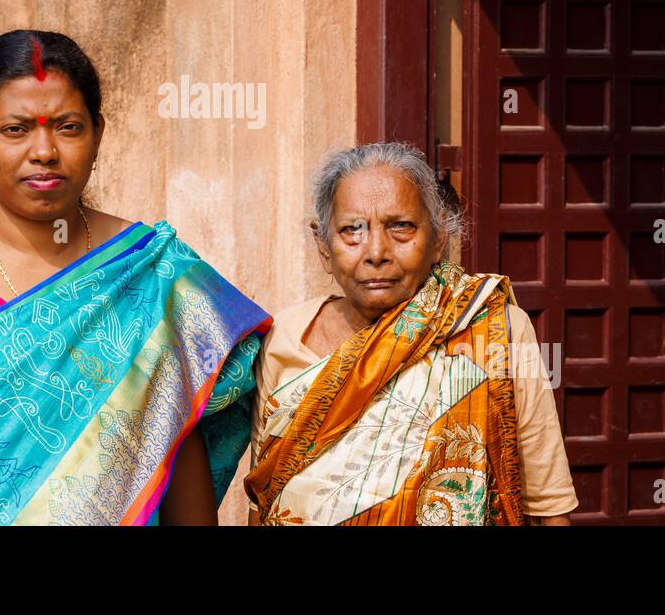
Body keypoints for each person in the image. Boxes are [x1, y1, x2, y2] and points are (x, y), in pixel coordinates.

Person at [0, 29, 270, 525]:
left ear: (97, 133)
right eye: (16, 130)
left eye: (67, 127)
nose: (44, 151)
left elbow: (172, 447)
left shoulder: (152, 274)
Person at [245, 142, 577, 526]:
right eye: (352, 230)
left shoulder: (496, 330)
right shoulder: (284, 336)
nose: (376, 251)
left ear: (438, 237)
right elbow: (267, 496)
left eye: (400, 226)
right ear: (323, 246)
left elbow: (548, 503)